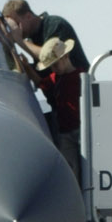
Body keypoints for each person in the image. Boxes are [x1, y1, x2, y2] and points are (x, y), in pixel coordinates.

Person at [33, 37, 85, 181]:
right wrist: (24, 66)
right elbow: (40, 83)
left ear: (66, 56)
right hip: (65, 133)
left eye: (55, 65)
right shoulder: (56, 78)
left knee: (88, 168)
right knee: (71, 171)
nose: (53, 69)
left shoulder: (81, 77)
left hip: (82, 130)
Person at [2, 0, 91, 72]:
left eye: (17, 24)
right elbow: (42, 72)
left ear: (28, 16)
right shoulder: (31, 39)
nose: (15, 29)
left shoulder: (55, 25)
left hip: (80, 88)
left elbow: (51, 56)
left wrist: (20, 40)